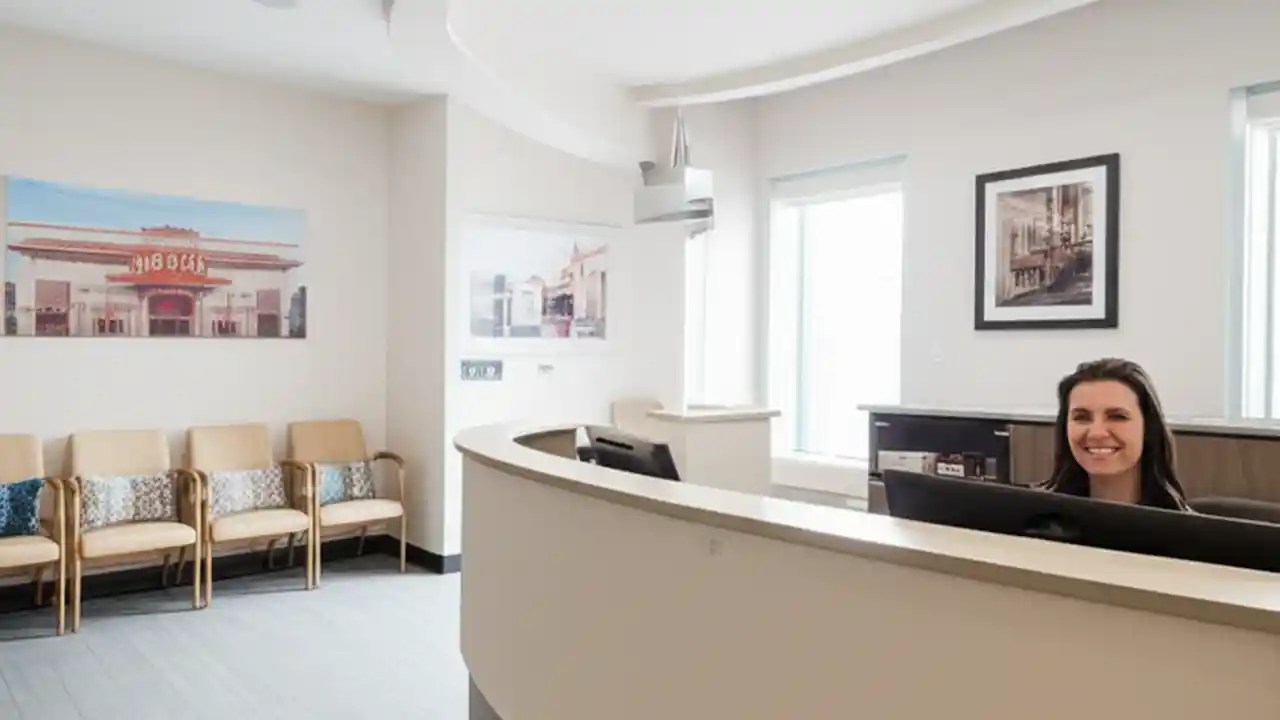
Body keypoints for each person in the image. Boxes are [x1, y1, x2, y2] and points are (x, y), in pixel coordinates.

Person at [1041, 358, 1190, 511]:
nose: (1097, 433)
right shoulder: (1035, 519)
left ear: (1148, 428)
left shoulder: (1187, 531)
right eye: (1081, 417)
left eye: (1117, 417)